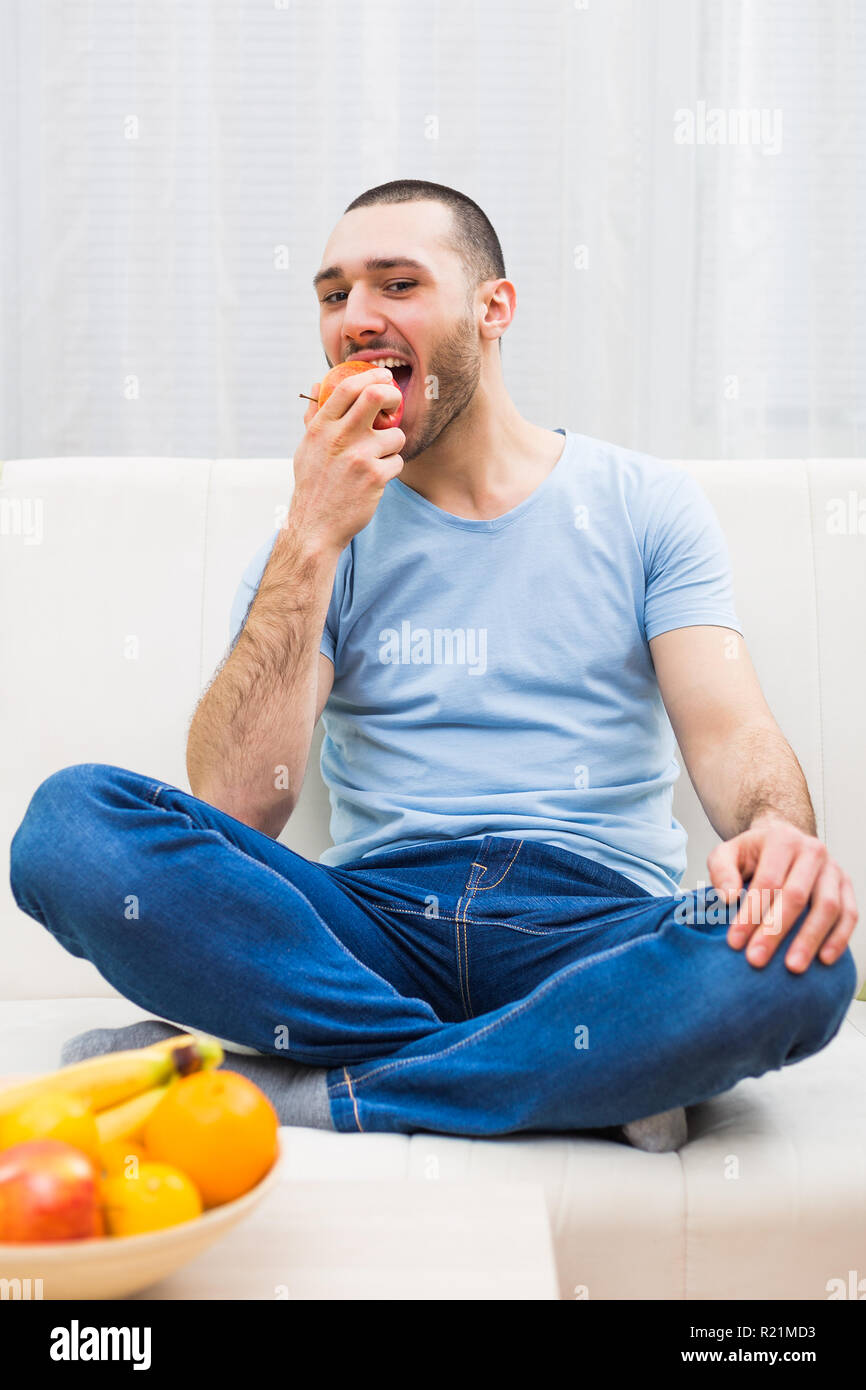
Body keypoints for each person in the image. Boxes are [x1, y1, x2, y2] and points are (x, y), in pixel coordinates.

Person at [9, 180, 858, 1152]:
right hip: (367, 934)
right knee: (68, 829)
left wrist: (778, 837)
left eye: (395, 284)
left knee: (803, 958)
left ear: (492, 308)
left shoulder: (641, 504)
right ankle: (570, 1070)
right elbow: (236, 805)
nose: (354, 320)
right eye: (332, 296)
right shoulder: (316, 534)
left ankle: (311, 1090)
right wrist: (313, 536)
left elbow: (733, 735)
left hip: (592, 933)